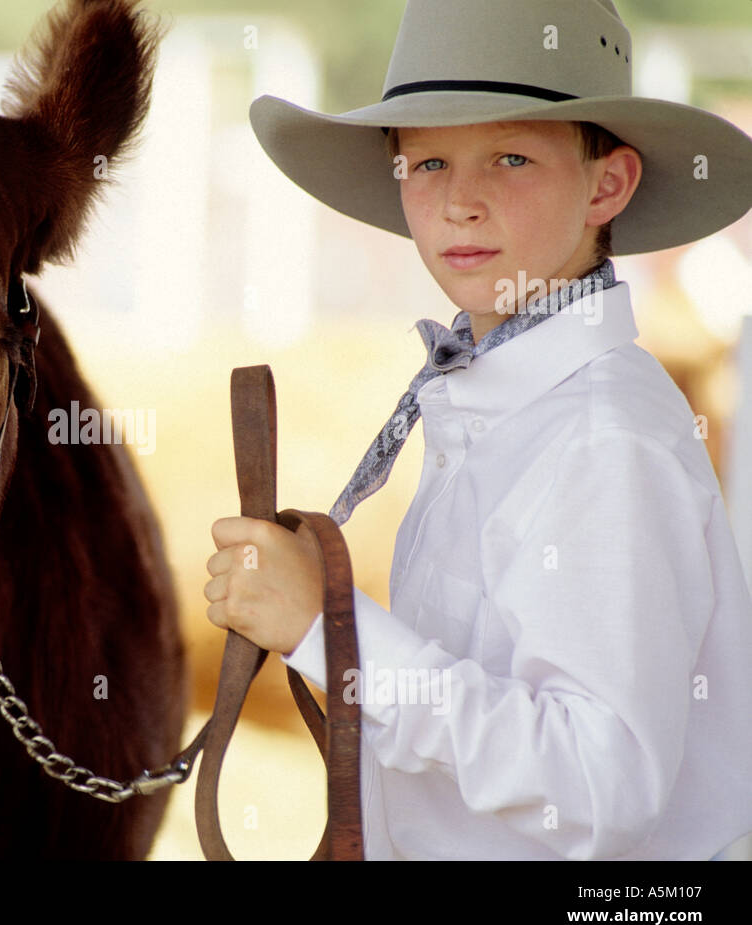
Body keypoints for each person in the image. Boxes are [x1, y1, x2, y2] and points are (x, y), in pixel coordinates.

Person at [203, 0, 752, 859]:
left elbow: (596, 787)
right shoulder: (502, 399)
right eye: (426, 163)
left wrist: (329, 629)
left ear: (606, 185)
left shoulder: (603, 442)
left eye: (510, 156)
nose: (460, 202)